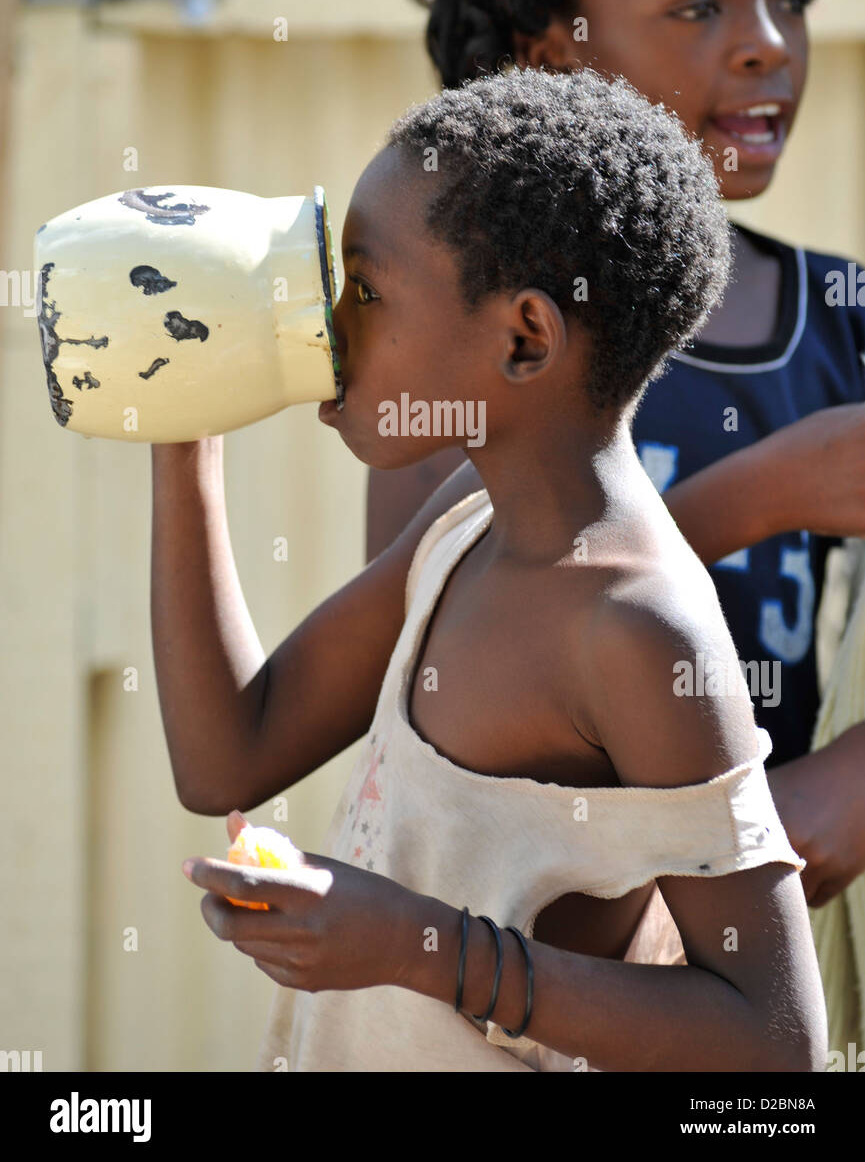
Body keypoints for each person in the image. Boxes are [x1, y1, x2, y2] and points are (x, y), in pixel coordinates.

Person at [165, 66, 824, 1072]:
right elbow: (229, 756)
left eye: (367, 289)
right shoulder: (464, 526)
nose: (328, 326)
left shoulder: (635, 625)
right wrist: (183, 432)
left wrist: (412, 945)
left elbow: (771, 1039)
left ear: (524, 338)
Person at [366, 0, 865, 911]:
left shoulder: (843, 317)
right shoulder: (463, 329)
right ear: (550, 52)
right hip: (504, 965)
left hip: (742, 975)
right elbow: (435, 642)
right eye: (700, 7)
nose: (764, 47)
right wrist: (765, 491)